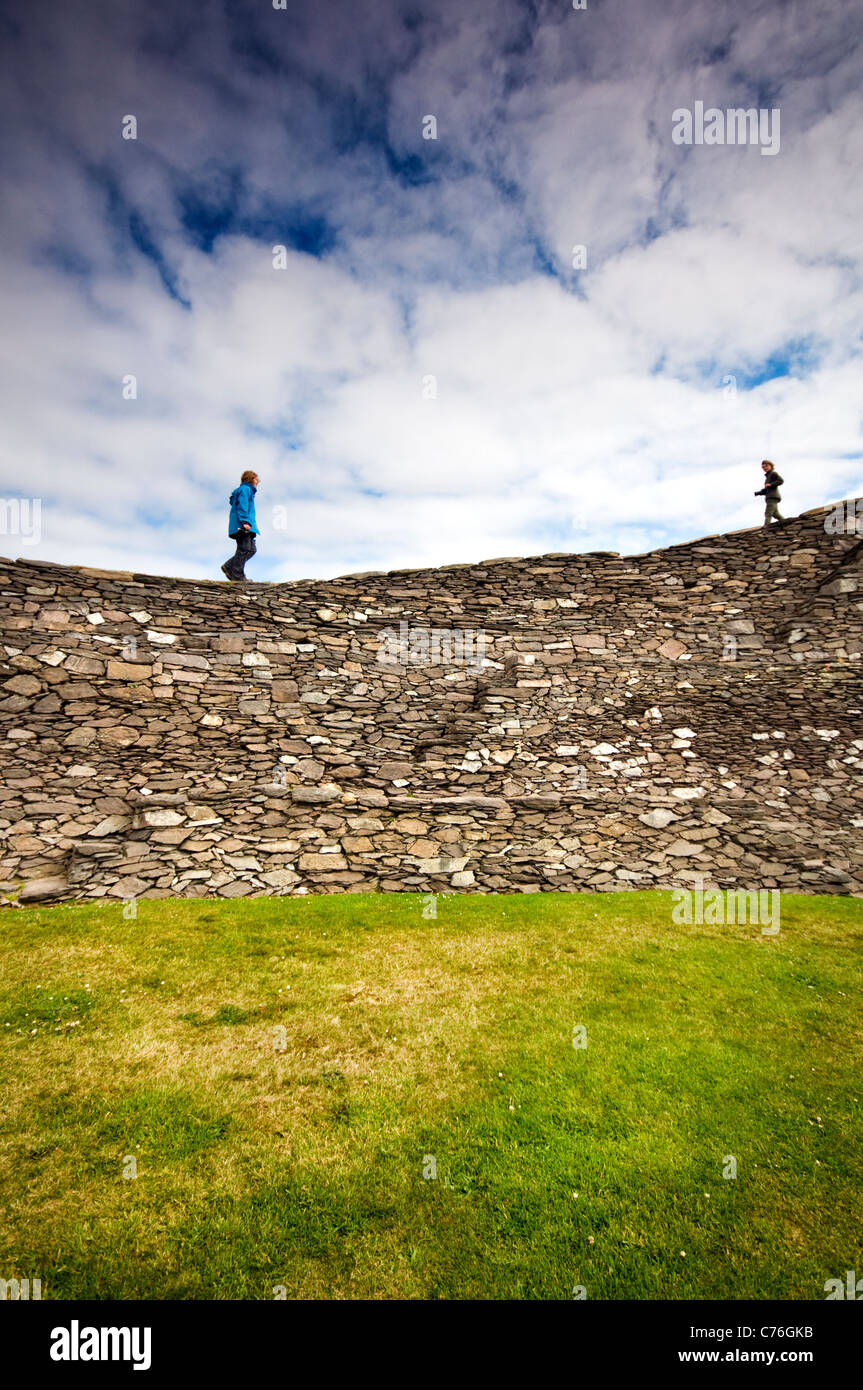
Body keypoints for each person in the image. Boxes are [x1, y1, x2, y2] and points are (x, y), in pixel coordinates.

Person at [222, 471, 259, 580]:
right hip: (243, 524)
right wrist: (245, 522)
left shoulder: (247, 491)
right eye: (256, 479)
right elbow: (243, 506)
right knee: (244, 548)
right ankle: (238, 575)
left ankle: (228, 566)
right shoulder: (245, 489)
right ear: (250, 479)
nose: (258, 482)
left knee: (251, 549)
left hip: (247, 524)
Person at [754, 460, 786, 526]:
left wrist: (771, 484)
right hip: (770, 496)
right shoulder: (768, 477)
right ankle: (785, 522)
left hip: (772, 496)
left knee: (768, 512)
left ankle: (766, 526)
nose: (765, 468)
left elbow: (781, 481)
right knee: (775, 513)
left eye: (766, 466)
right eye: (763, 467)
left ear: (771, 466)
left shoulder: (773, 474)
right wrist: (758, 493)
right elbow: (766, 490)